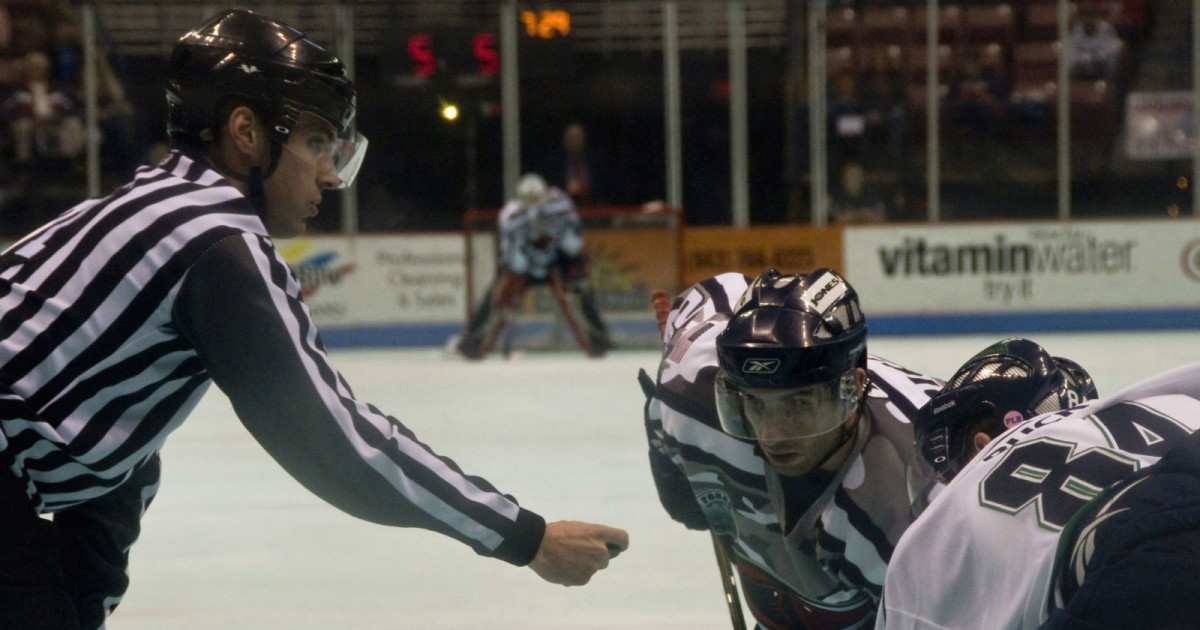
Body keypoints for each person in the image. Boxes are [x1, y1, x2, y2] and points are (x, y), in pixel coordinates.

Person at [0, 10, 628, 630]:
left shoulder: (143, 207)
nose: (330, 174)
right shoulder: (216, 241)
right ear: (246, 132)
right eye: (316, 143)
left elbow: (121, 461)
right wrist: (525, 536)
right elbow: (332, 440)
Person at [640, 268, 944, 629]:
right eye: (755, 402)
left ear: (854, 386)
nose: (771, 435)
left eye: (798, 404)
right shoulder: (690, 393)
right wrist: (672, 470)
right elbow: (719, 289)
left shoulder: (917, 500)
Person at [879, 339, 1200, 629]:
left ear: (982, 446)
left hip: (1141, 554)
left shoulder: (947, 529)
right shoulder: (1137, 409)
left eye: (947, 470)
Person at [458, 172, 610, 359]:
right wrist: (519, 265)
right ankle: (472, 340)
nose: (533, 203)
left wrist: (569, 249)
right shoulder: (510, 215)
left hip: (556, 261)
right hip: (524, 265)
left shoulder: (560, 204)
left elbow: (575, 234)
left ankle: (599, 338)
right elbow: (508, 252)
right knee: (496, 296)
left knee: (581, 290)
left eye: (536, 198)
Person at [1068, 2, 1124, 82]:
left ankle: (1109, 86)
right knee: (1070, 66)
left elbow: (1110, 50)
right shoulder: (1076, 30)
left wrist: (1094, 58)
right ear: (1081, 19)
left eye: (1091, 16)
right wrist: (1085, 59)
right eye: (1085, 17)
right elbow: (1072, 51)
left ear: (1096, 17)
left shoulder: (1106, 28)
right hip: (1082, 65)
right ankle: (1074, 88)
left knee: (1113, 60)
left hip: (1100, 64)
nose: (1088, 20)